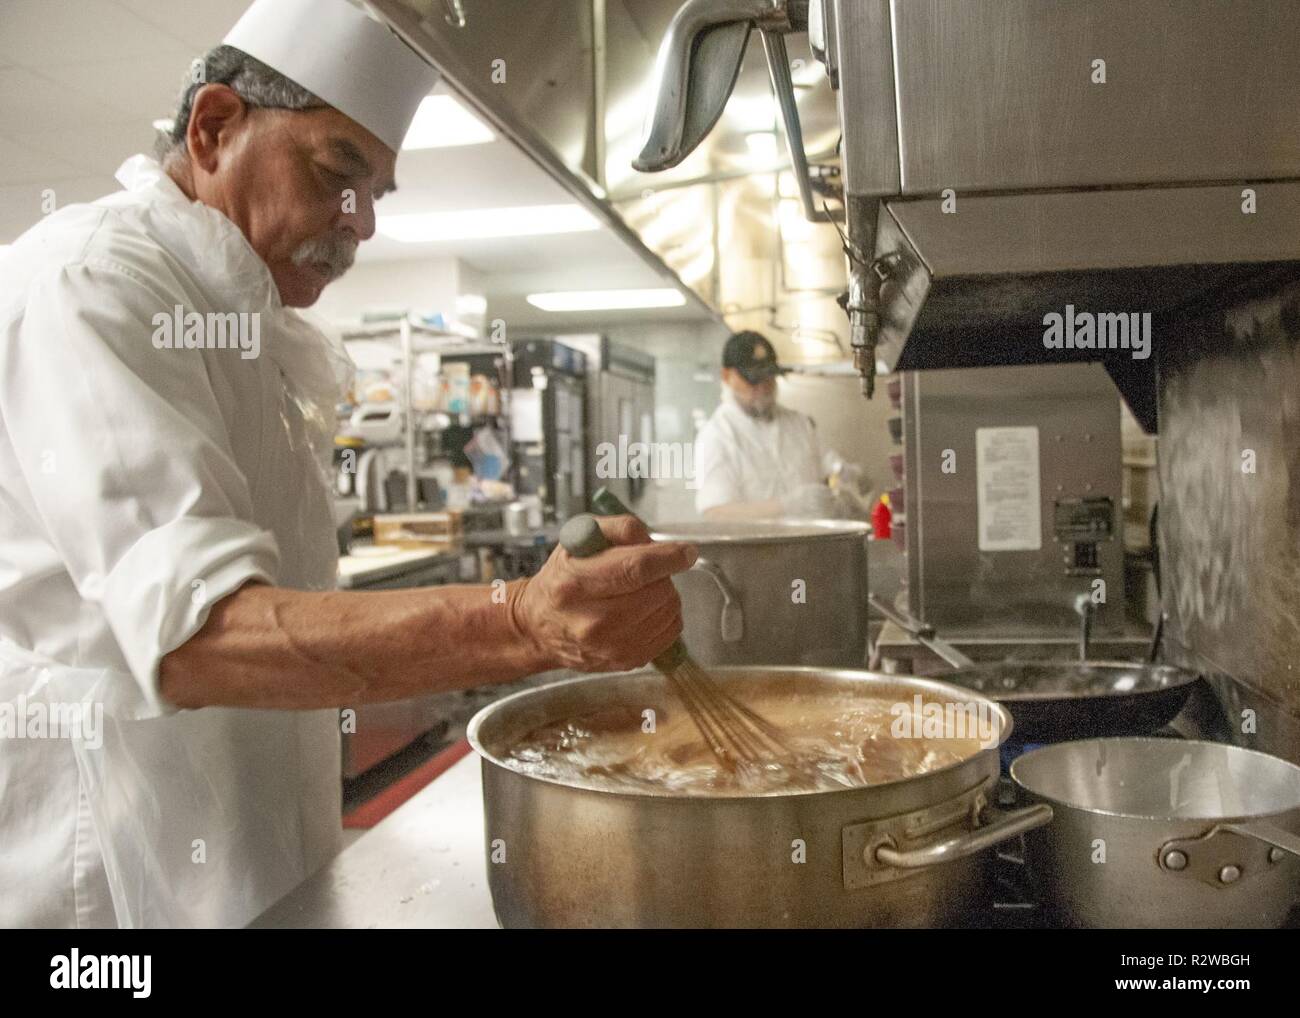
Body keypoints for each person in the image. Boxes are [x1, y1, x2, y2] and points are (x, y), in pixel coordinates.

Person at [0, 0, 694, 928]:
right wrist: (521, 619)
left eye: (375, 197)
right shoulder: (90, 283)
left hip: (260, 838)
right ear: (214, 128)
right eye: (338, 172)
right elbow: (197, 636)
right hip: (119, 867)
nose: (358, 223)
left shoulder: (254, 328)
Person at [693, 331, 863, 519]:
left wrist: (846, 482)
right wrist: (785, 506)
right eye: (754, 379)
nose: (764, 386)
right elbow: (715, 513)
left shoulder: (800, 424)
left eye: (769, 377)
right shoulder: (717, 435)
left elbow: (831, 471)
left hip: (813, 544)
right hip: (757, 548)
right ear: (726, 376)